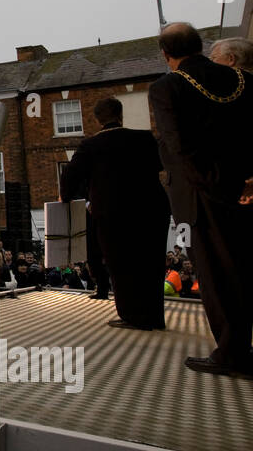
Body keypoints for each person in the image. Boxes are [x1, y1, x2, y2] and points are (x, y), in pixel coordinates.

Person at [148, 22, 253, 380]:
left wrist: (229, 188)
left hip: (207, 200)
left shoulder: (167, 87)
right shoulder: (245, 81)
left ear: (165, 54)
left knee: (220, 280)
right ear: (200, 45)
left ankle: (233, 355)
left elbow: (181, 149)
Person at [61, 96, 171, 330]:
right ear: (121, 115)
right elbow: (161, 164)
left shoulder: (91, 145)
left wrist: (66, 197)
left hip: (114, 212)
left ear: (97, 119)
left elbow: (70, 175)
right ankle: (154, 317)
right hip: (152, 208)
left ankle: (132, 316)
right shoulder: (144, 138)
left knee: (121, 264)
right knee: (152, 263)